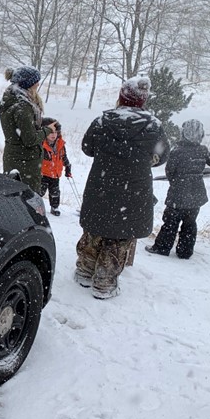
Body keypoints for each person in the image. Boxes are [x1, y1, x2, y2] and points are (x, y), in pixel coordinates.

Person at [76, 75, 169, 299]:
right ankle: (105, 284)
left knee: (94, 231)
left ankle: (84, 271)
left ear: (122, 96)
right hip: (133, 191)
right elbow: (163, 155)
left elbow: (87, 147)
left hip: (101, 186)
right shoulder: (153, 126)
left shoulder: (102, 121)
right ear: (143, 99)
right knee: (119, 238)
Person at [145, 119, 210, 259]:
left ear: (183, 133)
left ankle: (162, 247)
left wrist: (176, 182)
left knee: (170, 222)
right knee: (190, 223)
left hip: (178, 194)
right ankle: (185, 251)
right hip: (196, 195)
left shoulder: (177, 151)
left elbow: (170, 171)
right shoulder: (202, 151)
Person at [0, 66, 52, 193]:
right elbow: (30, 139)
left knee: (13, 198)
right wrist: (47, 130)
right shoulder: (23, 106)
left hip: (15, 158)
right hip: (25, 163)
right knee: (27, 201)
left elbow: (20, 127)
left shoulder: (11, 99)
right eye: (36, 82)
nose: (38, 84)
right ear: (28, 84)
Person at [40, 117, 72, 216]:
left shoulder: (60, 144)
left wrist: (67, 166)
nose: (54, 135)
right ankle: (36, 207)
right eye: (51, 132)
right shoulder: (42, 144)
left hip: (55, 174)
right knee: (39, 192)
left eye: (56, 132)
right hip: (43, 174)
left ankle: (54, 207)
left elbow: (63, 156)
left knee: (55, 192)